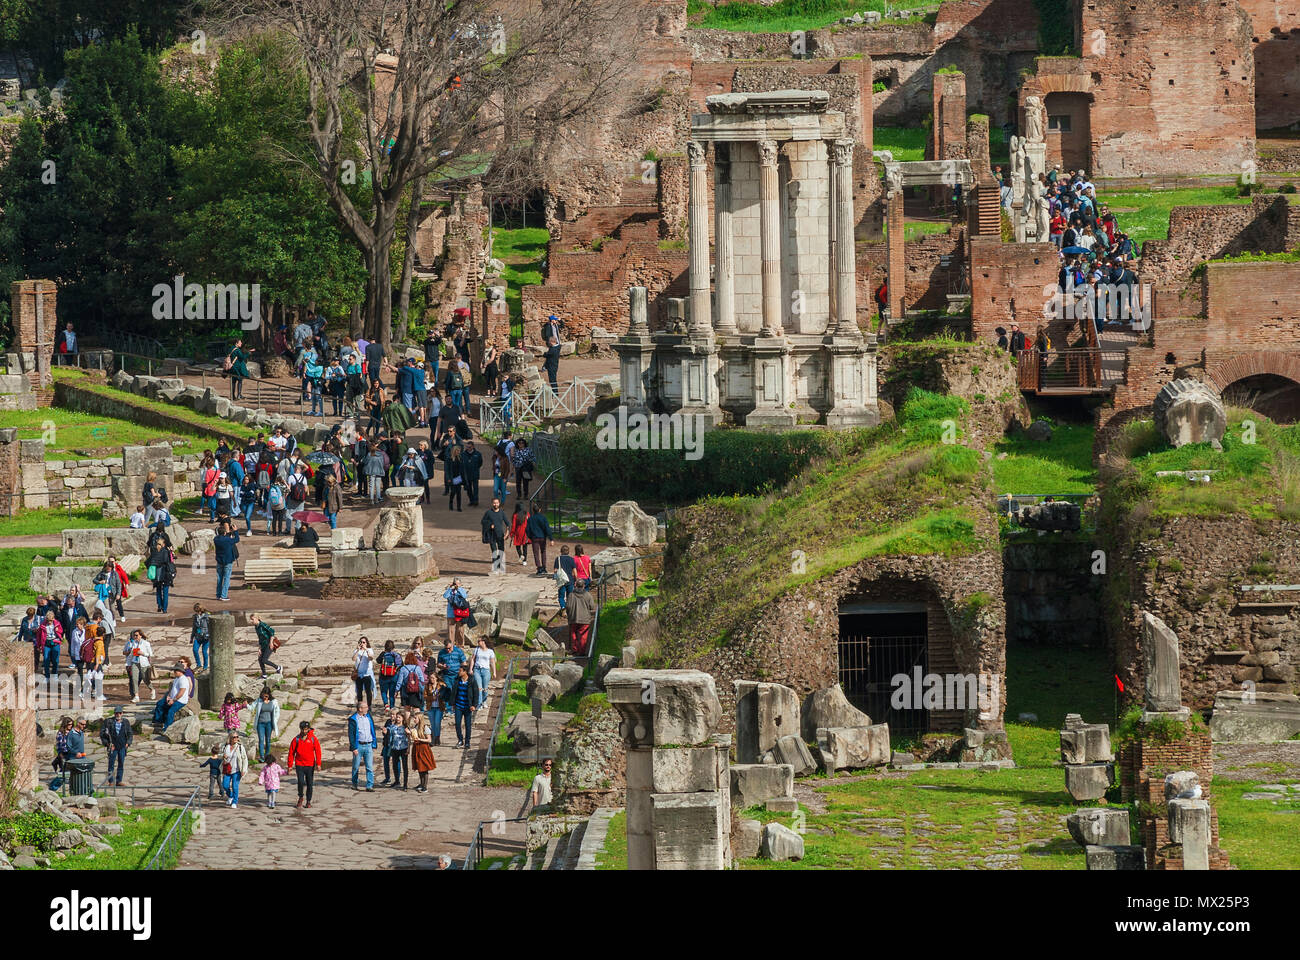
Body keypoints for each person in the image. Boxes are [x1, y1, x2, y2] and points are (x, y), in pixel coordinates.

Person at [287, 719, 322, 807]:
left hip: (310, 765)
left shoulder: (313, 739)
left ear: (309, 729)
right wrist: (290, 765)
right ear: (300, 729)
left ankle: (308, 801)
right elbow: (291, 753)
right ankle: (300, 797)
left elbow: (318, 751)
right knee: (300, 782)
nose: (305, 731)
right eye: (303, 729)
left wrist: (318, 764)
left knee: (310, 783)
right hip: (299, 764)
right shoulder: (296, 739)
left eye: (306, 729)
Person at [99, 705, 133, 786]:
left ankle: (119, 780)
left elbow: (130, 733)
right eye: (116, 713)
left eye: (120, 713)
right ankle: (111, 781)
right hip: (112, 746)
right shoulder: (108, 722)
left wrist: (128, 743)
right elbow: (102, 734)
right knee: (111, 764)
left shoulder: (126, 722)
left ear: (122, 713)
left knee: (121, 763)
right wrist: (107, 744)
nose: (118, 715)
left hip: (122, 746)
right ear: (114, 714)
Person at [347, 700, 376, 792]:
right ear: (360, 709)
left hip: (368, 744)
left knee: (369, 766)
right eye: (365, 707)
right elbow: (351, 734)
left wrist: (373, 743)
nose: (367, 709)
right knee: (356, 766)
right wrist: (353, 747)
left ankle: (369, 785)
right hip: (358, 745)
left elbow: (372, 729)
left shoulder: (368, 716)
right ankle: (354, 783)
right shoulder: (353, 719)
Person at [153, 663, 193, 728]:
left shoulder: (183, 679)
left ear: (180, 671)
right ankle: (158, 721)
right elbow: (172, 689)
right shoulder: (177, 678)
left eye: (175, 671)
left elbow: (181, 692)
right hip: (172, 698)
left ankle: (167, 727)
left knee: (171, 711)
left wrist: (173, 700)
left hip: (180, 701)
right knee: (160, 704)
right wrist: (168, 696)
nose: (174, 672)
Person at [449, 665, 479, 749]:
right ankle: (460, 740)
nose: (458, 672)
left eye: (460, 671)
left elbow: (476, 693)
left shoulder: (472, 680)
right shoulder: (457, 680)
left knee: (468, 725)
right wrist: (453, 704)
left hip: (467, 706)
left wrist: (474, 705)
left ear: (465, 672)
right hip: (458, 705)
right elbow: (454, 692)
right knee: (457, 724)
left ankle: (467, 742)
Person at [249, 687, 280, 762]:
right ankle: (262, 756)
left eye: (266, 696)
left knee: (268, 740)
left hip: (269, 723)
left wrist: (275, 721)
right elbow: (252, 707)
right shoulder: (259, 701)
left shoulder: (274, 702)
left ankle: (267, 755)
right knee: (261, 740)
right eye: (263, 696)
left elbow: (277, 712)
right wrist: (246, 705)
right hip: (260, 724)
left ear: (269, 695)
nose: (264, 697)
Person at [147, 535, 176, 613]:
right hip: (165, 573)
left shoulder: (154, 552)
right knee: (165, 592)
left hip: (156, 574)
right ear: (163, 544)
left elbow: (148, 562)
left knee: (158, 590)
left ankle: (159, 606)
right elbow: (168, 562)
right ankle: (165, 609)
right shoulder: (165, 552)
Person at [123, 628, 153, 703]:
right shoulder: (133, 643)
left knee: (145, 678)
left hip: (143, 663)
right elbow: (129, 654)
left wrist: (143, 653)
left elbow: (150, 654)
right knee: (134, 679)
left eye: (136, 635)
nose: (135, 637)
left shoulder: (146, 643)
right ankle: (136, 696)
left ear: (140, 636)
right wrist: (128, 662)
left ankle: (152, 689)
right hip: (134, 662)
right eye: (134, 636)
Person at [567, 580, 596, 656]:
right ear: (583, 586)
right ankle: (582, 651)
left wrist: (569, 615)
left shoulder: (571, 595)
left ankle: (574, 649)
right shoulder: (588, 595)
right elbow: (592, 607)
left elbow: (568, 607)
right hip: (585, 619)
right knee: (583, 636)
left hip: (573, 618)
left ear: (575, 585)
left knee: (573, 634)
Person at [481, 497, 509, 574]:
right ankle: (495, 568)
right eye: (494, 503)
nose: (495, 504)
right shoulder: (488, 513)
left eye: (497, 503)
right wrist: (490, 525)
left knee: (501, 551)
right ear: (492, 503)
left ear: (499, 503)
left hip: (500, 535)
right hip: (492, 535)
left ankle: (500, 567)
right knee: (494, 551)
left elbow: (507, 523)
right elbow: (483, 521)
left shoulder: (502, 512)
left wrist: (507, 533)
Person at [214, 522, 240, 602]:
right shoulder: (228, 540)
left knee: (219, 578)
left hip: (219, 561)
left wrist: (229, 533)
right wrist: (235, 531)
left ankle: (218, 595)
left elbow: (224, 537)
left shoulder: (216, 539)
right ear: (225, 533)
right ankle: (224, 595)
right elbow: (237, 539)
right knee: (227, 578)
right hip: (228, 561)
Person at [222, 732, 249, 808]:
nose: (236, 738)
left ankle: (234, 802)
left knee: (235, 786)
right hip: (227, 769)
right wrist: (224, 757)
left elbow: (245, 759)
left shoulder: (240, 747)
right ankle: (231, 796)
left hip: (237, 770)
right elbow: (223, 758)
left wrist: (244, 769)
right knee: (225, 785)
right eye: (234, 737)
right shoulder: (226, 747)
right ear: (230, 738)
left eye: (237, 737)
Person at [409, 712, 435, 792]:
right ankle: (421, 783)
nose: (414, 719)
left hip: (423, 749)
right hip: (417, 748)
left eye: (415, 718)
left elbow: (429, 740)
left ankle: (425, 786)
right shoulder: (415, 727)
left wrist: (420, 739)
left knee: (424, 767)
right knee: (420, 767)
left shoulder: (425, 727)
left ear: (420, 719)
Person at [525, 504, 554, 576]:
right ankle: (544, 567)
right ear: (540, 510)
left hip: (534, 537)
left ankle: (539, 567)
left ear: (533, 510)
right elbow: (547, 528)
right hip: (542, 537)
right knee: (543, 552)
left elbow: (527, 529)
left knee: (536, 553)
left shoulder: (530, 519)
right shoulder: (543, 518)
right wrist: (551, 539)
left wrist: (530, 537)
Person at [251, 614, 282, 678]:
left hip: (269, 644)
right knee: (260, 659)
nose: (251, 621)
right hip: (263, 645)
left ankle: (278, 668)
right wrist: (259, 648)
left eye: (252, 619)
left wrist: (271, 643)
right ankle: (264, 674)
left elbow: (272, 631)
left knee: (264, 660)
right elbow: (260, 638)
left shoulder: (263, 625)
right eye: (251, 619)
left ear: (257, 619)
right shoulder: (256, 627)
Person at [442, 581, 471, 647]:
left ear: (460, 584)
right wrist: (449, 588)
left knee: (460, 630)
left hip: (460, 613)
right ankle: (450, 645)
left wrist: (458, 588)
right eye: (455, 583)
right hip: (451, 613)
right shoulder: (450, 591)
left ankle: (460, 645)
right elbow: (445, 596)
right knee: (451, 631)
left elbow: (464, 596)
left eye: (457, 583)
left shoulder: (462, 590)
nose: (455, 585)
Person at [425, 674, 451, 747]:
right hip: (431, 707)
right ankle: (433, 738)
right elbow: (425, 696)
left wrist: (441, 696)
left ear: (436, 678)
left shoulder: (442, 685)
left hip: (439, 707)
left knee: (437, 723)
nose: (431, 679)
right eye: (430, 678)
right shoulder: (427, 686)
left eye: (433, 678)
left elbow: (447, 693)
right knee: (432, 724)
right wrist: (431, 698)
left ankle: (437, 737)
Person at [387, 710, 410, 790]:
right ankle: (397, 781)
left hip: (403, 748)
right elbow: (390, 737)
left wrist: (408, 748)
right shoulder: (393, 726)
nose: (397, 719)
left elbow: (409, 738)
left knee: (405, 766)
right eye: (397, 717)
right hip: (394, 748)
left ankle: (405, 784)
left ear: (403, 718)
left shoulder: (405, 727)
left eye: (399, 717)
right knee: (395, 765)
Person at [376, 640, 403, 708]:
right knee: (392, 693)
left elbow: (378, 661)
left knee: (383, 691)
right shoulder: (396, 655)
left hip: (383, 676)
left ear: (385, 647)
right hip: (393, 676)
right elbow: (401, 665)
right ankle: (392, 707)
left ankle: (386, 704)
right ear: (393, 647)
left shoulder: (383, 654)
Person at [38, 611, 63, 684]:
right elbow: (39, 635)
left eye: (51, 620)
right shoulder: (43, 625)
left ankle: (54, 676)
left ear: (53, 618)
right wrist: (39, 645)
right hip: (46, 644)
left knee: (55, 660)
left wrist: (58, 630)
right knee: (46, 660)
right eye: (48, 620)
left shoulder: (57, 624)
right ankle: (47, 676)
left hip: (55, 643)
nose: (49, 622)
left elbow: (61, 631)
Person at [471, 637, 496, 709]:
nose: (478, 642)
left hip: (486, 670)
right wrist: (470, 669)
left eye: (479, 641)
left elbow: (492, 662)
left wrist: (494, 672)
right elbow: (473, 659)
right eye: (478, 641)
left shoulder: (490, 651)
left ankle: (484, 701)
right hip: (477, 670)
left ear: (484, 642)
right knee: (479, 688)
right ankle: (479, 704)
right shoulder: (476, 650)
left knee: (485, 688)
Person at [353, 636, 375, 707]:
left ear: (366, 643)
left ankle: (369, 706)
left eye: (363, 642)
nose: (362, 643)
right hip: (359, 674)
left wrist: (366, 650)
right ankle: (360, 706)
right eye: (360, 642)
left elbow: (371, 658)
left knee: (368, 691)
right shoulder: (356, 650)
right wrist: (357, 650)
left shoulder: (369, 650)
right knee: (359, 691)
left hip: (367, 674)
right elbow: (353, 659)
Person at [554, 544, 577, 611]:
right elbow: (575, 571)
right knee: (569, 595)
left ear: (561, 551)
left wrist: (556, 578)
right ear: (568, 551)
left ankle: (563, 607)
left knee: (561, 596)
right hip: (570, 580)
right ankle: (569, 607)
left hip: (562, 580)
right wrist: (576, 579)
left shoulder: (558, 559)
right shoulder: (571, 559)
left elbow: (555, 570)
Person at [462, 440, 483, 508]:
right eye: (467, 447)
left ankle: (476, 501)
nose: (468, 448)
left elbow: (480, 463)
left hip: (475, 474)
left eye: (470, 447)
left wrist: (475, 468)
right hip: (467, 475)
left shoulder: (478, 454)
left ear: (473, 447)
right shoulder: (463, 454)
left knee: (475, 488)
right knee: (468, 489)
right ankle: (471, 500)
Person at [191, 603, 211, 670]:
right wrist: (192, 637)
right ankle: (198, 664)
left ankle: (205, 666)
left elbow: (211, 627)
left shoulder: (207, 617)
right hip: (198, 637)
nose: (197, 613)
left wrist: (210, 635)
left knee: (204, 651)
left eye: (198, 611)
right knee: (195, 650)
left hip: (206, 637)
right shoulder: (195, 617)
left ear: (201, 610)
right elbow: (194, 628)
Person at [510, 501, 530, 566]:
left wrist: (512, 533)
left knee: (518, 546)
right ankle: (525, 560)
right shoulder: (527, 514)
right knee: (525, 546)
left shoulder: (515, 515)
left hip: (518, 532)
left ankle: (520, 555)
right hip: (526, 532)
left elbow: (513, 525)